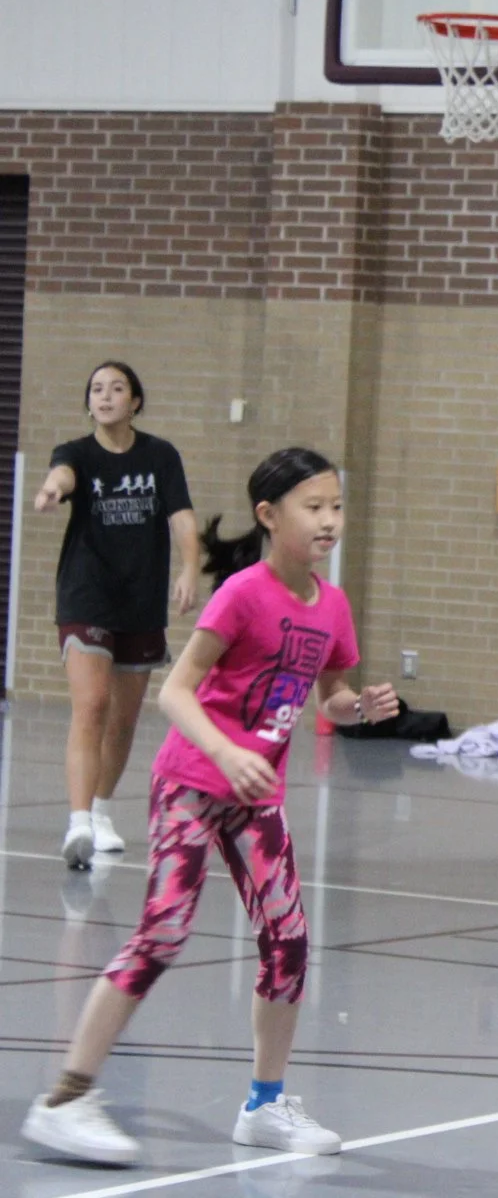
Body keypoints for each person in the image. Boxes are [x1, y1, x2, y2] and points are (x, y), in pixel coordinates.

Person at [21, 448, 399, 1166]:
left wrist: (362, 708)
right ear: (268, 515)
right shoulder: (243, 596)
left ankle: (264, 1105)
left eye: (336, 507)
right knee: (161, 936)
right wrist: (226, 753)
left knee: (288, 943)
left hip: (256, 797)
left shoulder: (333, 605)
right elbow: (175, 691)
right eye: (312, 508)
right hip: (194, 786)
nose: (329, 521)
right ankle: (65, 1100)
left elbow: (331, 700)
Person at [34, 361, 200, 869]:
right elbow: (62, 472)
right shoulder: (77, 454)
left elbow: (182, 517)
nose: (105, 396)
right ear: (89, 404)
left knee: (124, 719)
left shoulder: (160, 456)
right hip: (87, 594)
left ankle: (102, 812)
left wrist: (191, 567)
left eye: (117, 388)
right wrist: (54, 488)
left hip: (141, 598)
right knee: (92, 702)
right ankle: (78, 821)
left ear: (135, 401)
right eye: (96, 390)